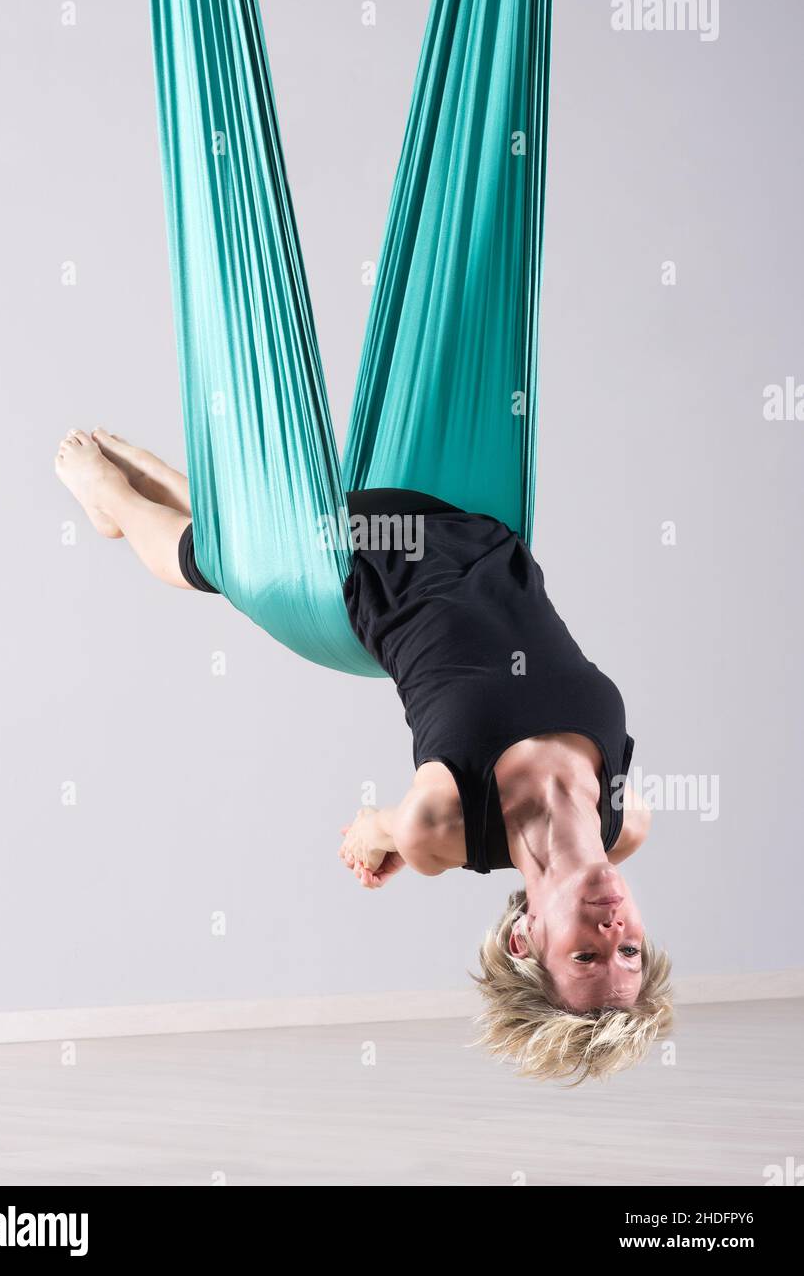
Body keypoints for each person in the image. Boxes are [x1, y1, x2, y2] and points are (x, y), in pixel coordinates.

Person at [56, 427, 672, 1083]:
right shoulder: (625, 822)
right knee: (248, 541)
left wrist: (387, 842)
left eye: (584, 958)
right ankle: (163, 498)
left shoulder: (443, 825)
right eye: (628, 951)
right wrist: (394, 850)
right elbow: (394, 842)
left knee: (235, 563)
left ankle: (114, 500)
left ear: (526, 941)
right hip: (483, 535)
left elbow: (379, 830)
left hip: (367, 561)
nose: (610, 933)